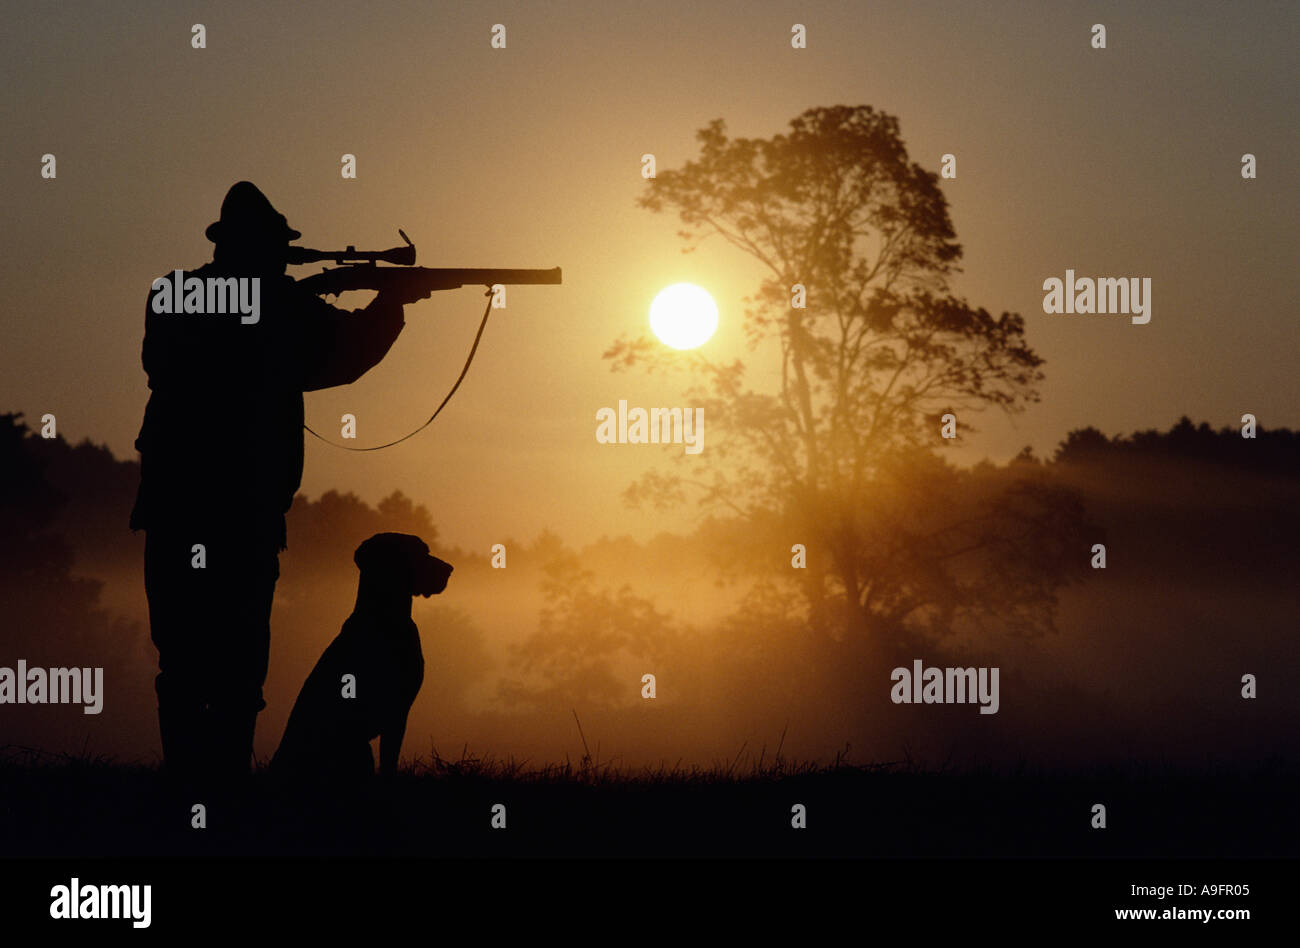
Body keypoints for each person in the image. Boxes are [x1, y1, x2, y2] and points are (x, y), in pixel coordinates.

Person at [129, 181, 425, 787]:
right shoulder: (256, 303)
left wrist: (381, 302)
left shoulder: (177, 293)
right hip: (242, 509)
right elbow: (343, 356)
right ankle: (219, 790)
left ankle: (195, 790)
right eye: (272, 248)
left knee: (188, 658)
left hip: (183, 504)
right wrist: (389, 307)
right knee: (230, 660)